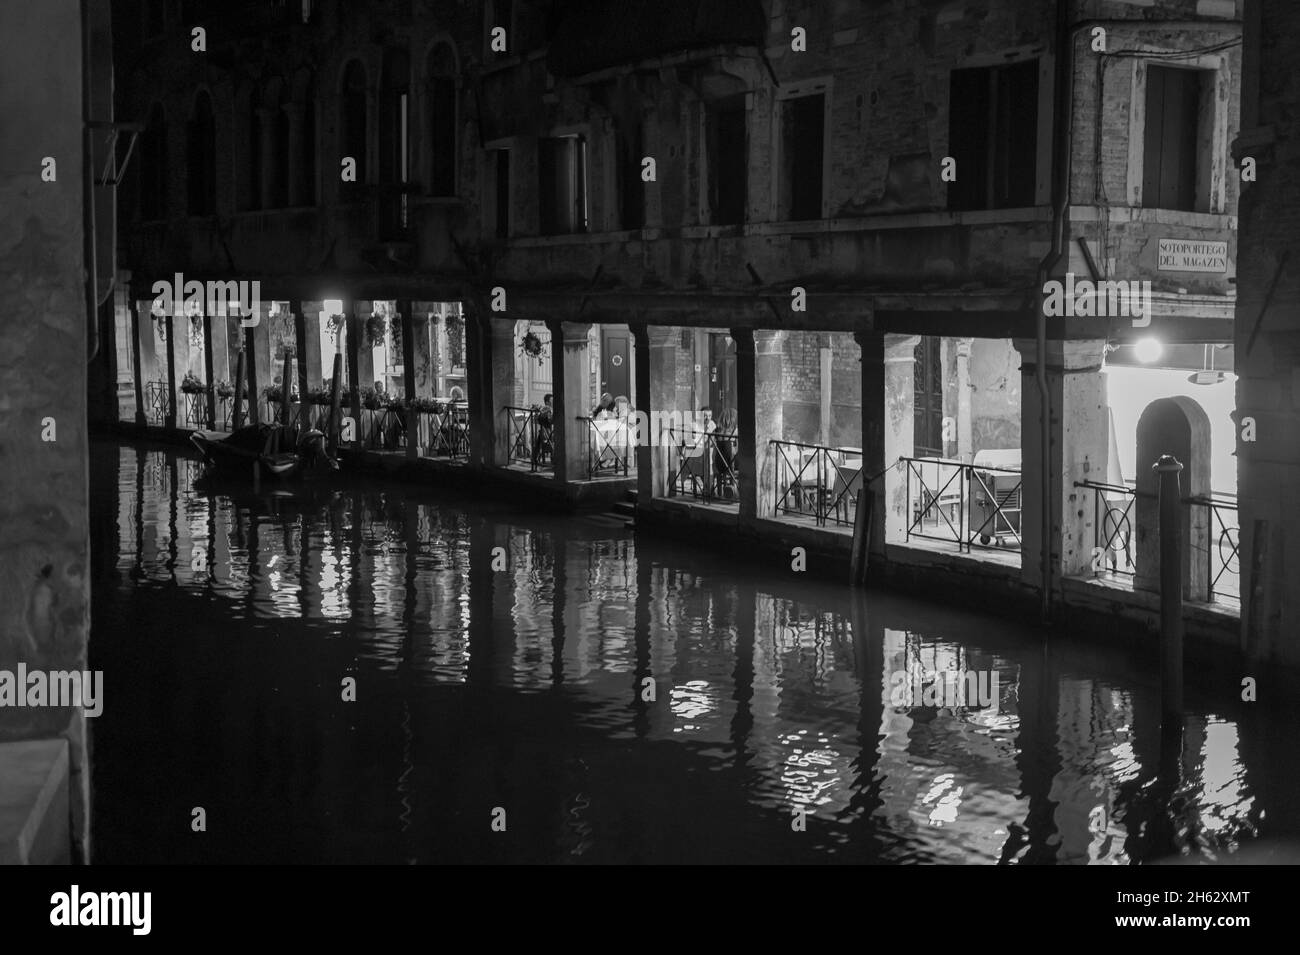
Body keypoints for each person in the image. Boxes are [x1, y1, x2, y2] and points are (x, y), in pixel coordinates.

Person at [713, 408, 738, 499]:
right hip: (730, 462)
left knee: (720, 472)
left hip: (719, 460)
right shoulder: (734, 430)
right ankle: (732, 492)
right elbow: (738, 448)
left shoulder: (716, 430)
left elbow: (712, 444)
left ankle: (720, 492)